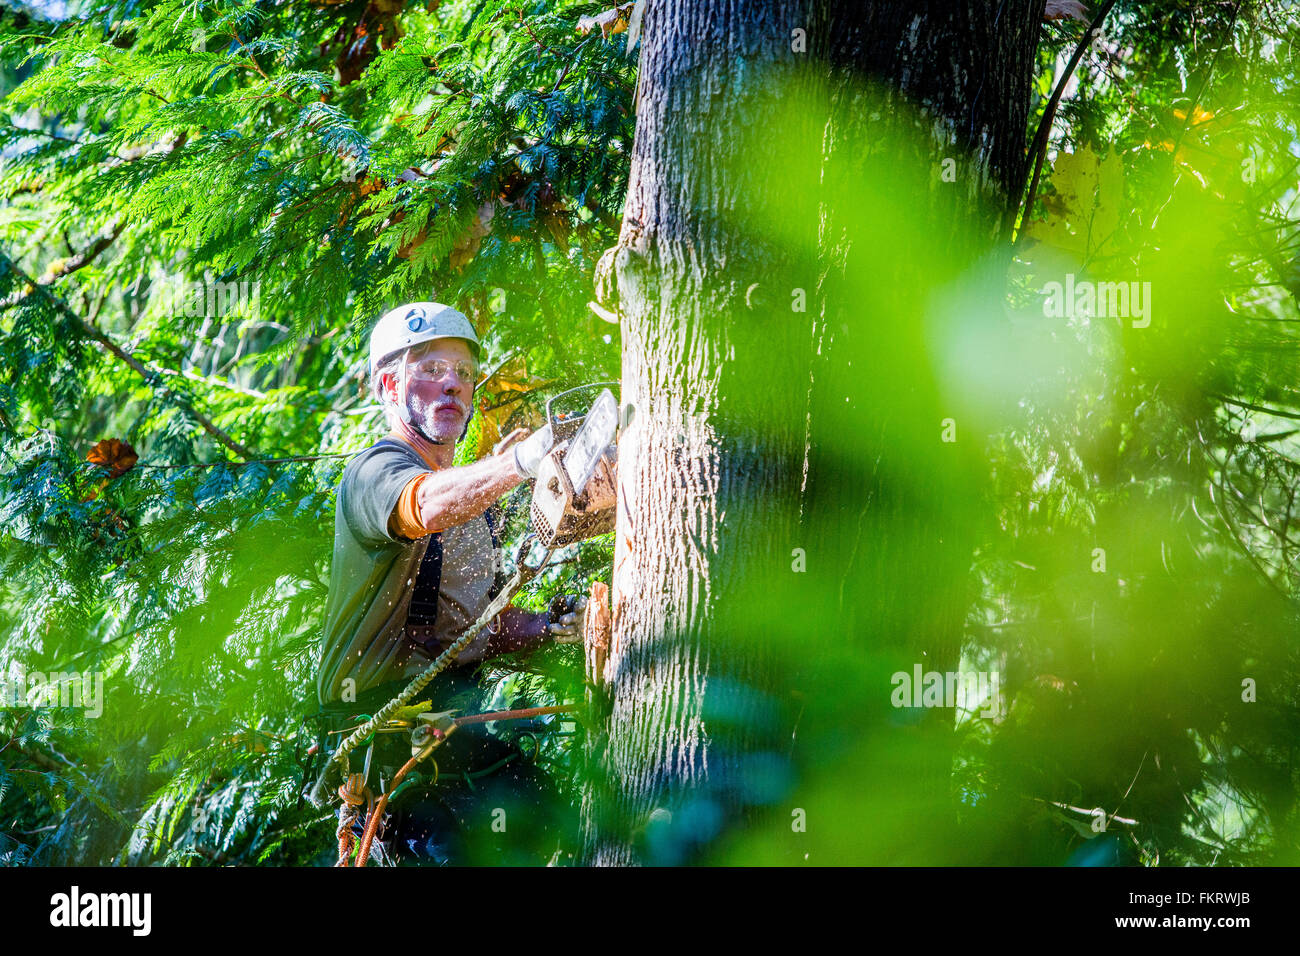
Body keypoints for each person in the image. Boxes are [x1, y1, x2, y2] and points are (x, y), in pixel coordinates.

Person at [315, 301, 585, 865]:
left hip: (452, 729)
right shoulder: (375, 473)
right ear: (389, 385)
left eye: (462, 374)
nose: (452, 386)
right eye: (431, 370)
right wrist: (520, 463)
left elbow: (473, 627)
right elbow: (424, 506)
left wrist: (550, 626)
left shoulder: (470, 501)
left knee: (551, 815)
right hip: (391, 746)